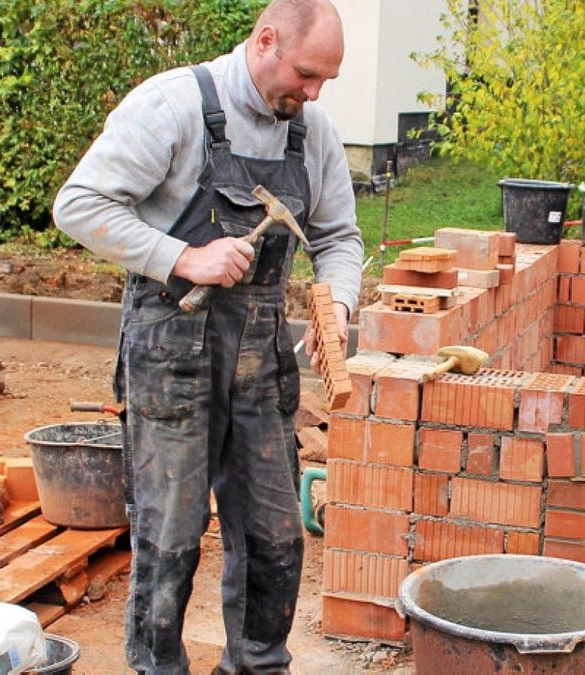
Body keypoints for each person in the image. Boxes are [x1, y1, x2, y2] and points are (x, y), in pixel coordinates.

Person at [53, 0, 362, 671]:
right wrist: (182, 257)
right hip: (173, 352)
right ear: (266, 40)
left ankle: (256, 664)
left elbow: (338, 237)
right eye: (307, 75)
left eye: (325, 82)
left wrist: (338, 303)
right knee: (171, 536)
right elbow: (78, 204)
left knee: (276, 536)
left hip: (260, 358)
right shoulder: (172, 107)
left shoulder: (313, 133)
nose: (313, 94)